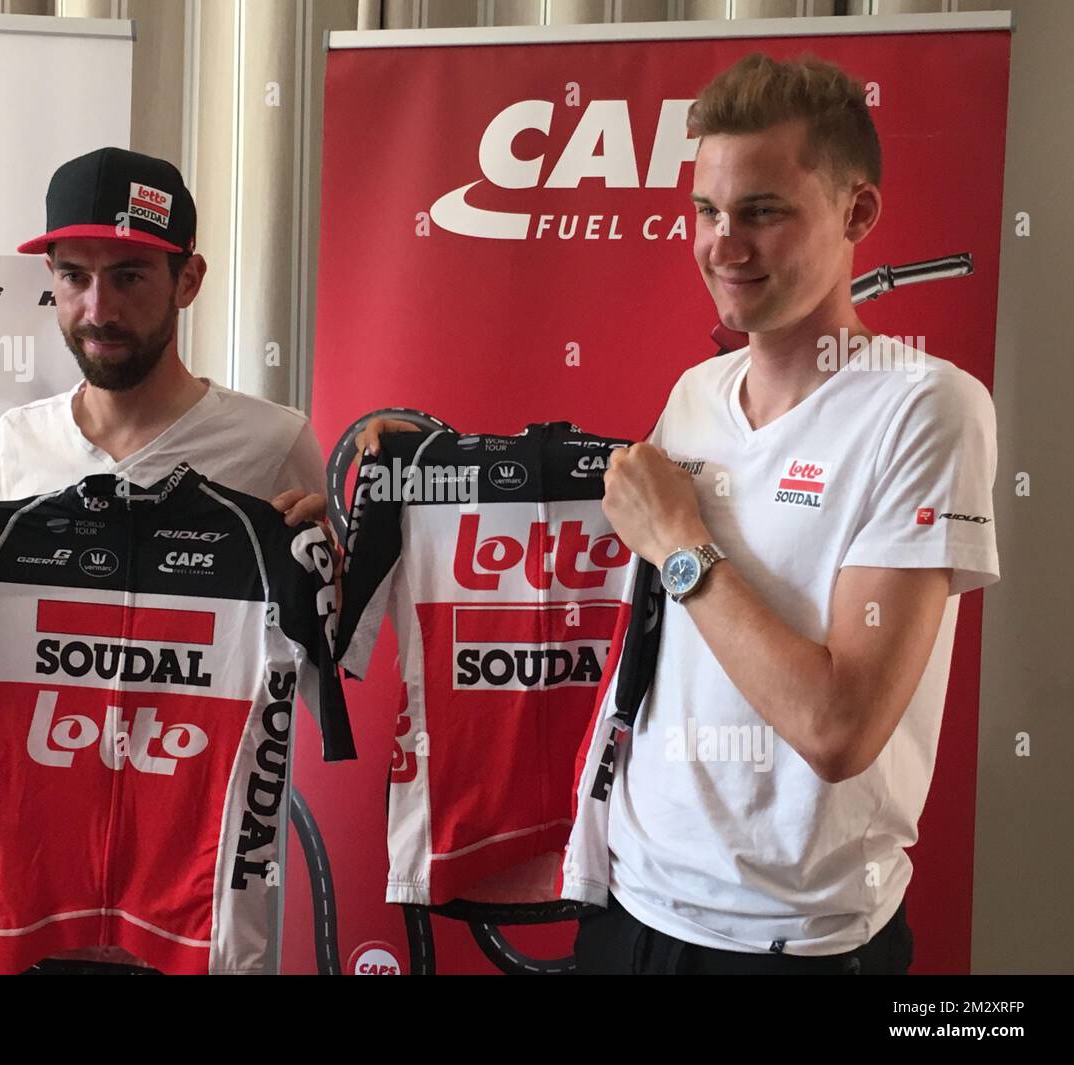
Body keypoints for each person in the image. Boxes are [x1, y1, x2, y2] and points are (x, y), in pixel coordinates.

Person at [363, 54, 999, 974]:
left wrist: (683, 547)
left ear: (857, 213)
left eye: (763, 212)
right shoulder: (697, 394)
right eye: (707, 211)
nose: (723, 245)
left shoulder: (928, 408)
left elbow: (840, 728)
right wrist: (409, 478)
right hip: (631, 906)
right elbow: (601, 528)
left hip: (793, 944)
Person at [0, 146, 329, 973]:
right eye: (73, 275)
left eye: (128, 276)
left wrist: (337, 552)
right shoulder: (16, 443)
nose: (96, 308)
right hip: (36, 887)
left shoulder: (274, 444)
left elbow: (329, 649)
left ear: (187, 280)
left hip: (203, 900)